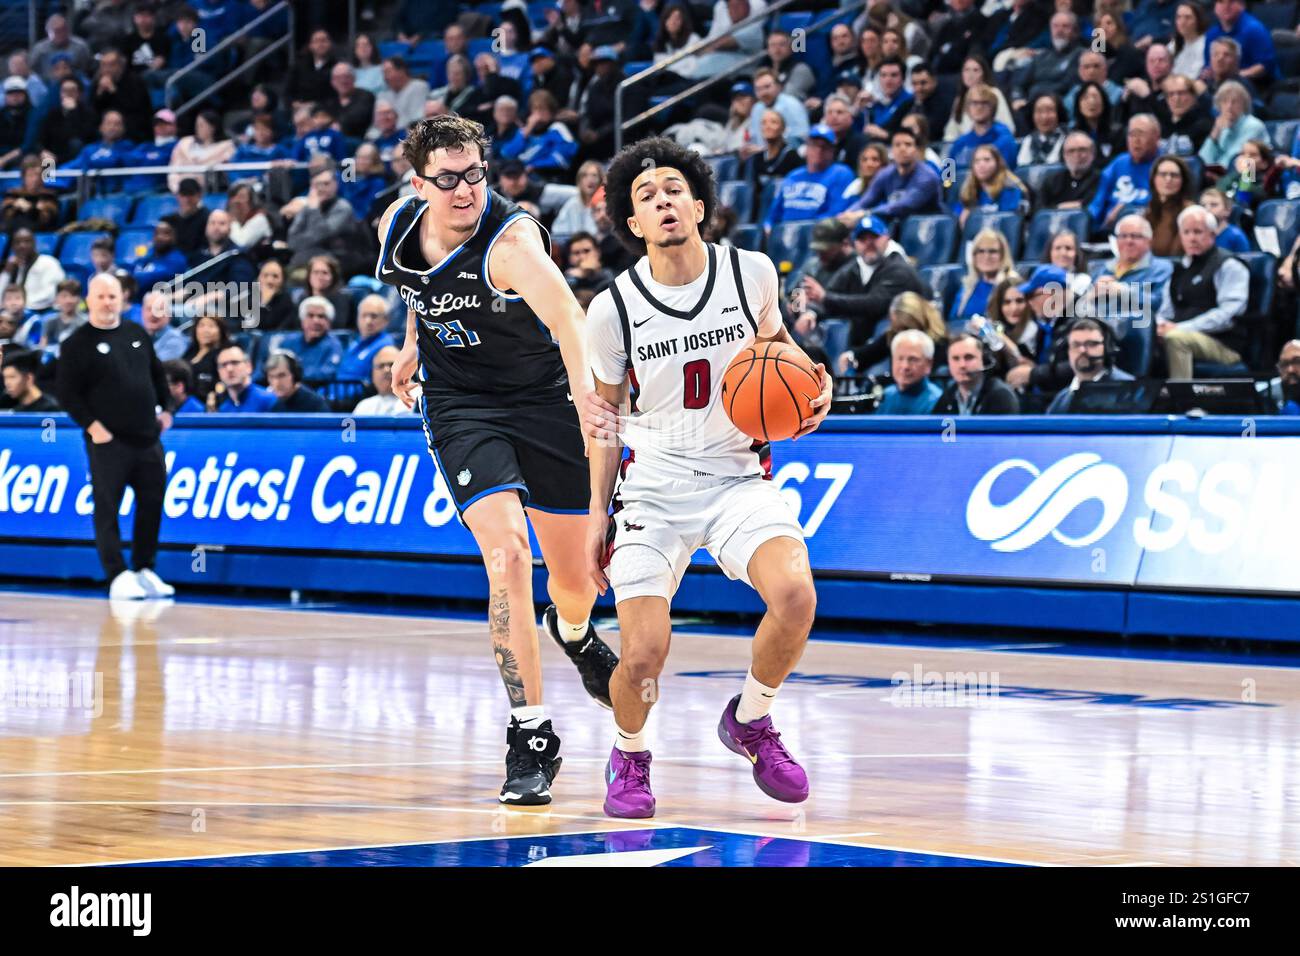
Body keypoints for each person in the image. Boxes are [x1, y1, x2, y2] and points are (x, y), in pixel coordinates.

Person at [580, 135, 830, 820]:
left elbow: (780, 350)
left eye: (672, 191)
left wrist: (815, 382)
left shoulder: (751, 272)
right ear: (631, 224)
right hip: (652, 489)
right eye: (645, 197)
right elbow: (604, 418)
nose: (662, 203)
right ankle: (630, 752)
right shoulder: (613, 310)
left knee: (795, 596)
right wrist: (597, 512)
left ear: (697, 205)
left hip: (735, 478)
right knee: (642, 657)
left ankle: (751, 719)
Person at [375, 115, 619, 806]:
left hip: (545, 401)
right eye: (447, 180)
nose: (464, 191)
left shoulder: (511, 246)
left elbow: (572, 323)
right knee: (508, 555)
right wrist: (414, 343)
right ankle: (531, 733)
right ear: (419, 184)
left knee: (575, 583)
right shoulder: (396, 223)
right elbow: (417, 289)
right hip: (460, 406)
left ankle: (571, 629)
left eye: (475, 174)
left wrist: (587, 401)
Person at [54, 273, 173, 600]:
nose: (108, 302)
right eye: (101, 296)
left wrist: (167, 409)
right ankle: (117, 573)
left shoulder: (136, 333)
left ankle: (144, 568)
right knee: (108, 507)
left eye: (113, 297)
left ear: (123, 300)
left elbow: (157, 375)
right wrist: (92, 426)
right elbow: (66, 392)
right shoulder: (77, 343)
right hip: (109, 441)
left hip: (148, 439)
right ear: (89, 300)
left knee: (152, 503)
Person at [802, 216, 933, 361]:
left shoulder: (899, 269)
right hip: (864, 346)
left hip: (894, 350)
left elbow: (875, 303)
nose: (868, 244)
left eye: (874, 237)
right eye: (862, 239)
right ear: (854, 243)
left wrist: (825, 298)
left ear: (887, 238)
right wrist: (812, 312)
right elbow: (832, 292)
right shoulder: (855, 268)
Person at [1155, 204, 1250, 378]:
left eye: (1198, 232)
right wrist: (1159, 325)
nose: (1192, 238)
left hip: (1224, 343)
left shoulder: (1229, 265)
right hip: (1184, 332)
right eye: (1186, 232)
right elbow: (1166, 310)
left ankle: (1182, 399)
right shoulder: (1179, 267)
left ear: (1212, 235)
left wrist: (1179, 328)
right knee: (1147, 335)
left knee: (1176, 339)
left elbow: (1227, 315)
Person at [761, 124, 855, 230]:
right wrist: (768, 226)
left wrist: (804, 229)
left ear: (832, 150)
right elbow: (773, 214)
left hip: (818, 237)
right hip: (784, 237)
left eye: (824, 147)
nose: (819, 150)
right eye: (814, 145)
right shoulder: (793, 175)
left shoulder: (841, 173)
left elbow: (836, 214)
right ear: (807, 148)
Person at [843, 127, 943, 223]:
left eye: (908, 144)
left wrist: (865, 214)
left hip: (926, 228)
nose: (902, 149)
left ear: (916, 150)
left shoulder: (928, 177)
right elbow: (866, 201)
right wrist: (846, 215)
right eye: (897, 145)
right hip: (896, 227)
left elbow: (903, 206)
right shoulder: (886, 173)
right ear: (891, 150)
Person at [1088, 114, 1161, 234]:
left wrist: (1126, 208)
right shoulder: (1119, 163)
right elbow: (1097, 203)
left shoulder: (1165, 166)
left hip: (1146, 230)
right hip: (1109, 231)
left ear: (1156, 137)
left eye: (1141, 134)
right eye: (1132, 134)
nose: (1136, 140)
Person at [1044, 318, 1135, 413]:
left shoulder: (1128, 391)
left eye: (1091, 344)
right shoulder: (1062, 398)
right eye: (1076, 345)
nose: (1082, 350)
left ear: (1108, 348)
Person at [932, 332, 1020, 414]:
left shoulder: (1001, 396)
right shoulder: (948, 396)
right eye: (955, 358)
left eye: (969, 357)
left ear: (984, 361)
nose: (962, 365)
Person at [1202, 0, 1279, 86]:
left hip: (1257, 85)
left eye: (1231, 2)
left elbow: (1265, 66)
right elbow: (1208, 64)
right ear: (1215, 7)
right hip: (1221, 84)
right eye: (1221, 2)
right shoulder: (1211, 34)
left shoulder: (1254, 29)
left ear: (1242, 5)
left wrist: (1235, 77)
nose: (1226, 6)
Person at [1198, 81, 1267, 171]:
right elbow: (1203, 160)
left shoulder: (1254, 125)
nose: (1229, 106)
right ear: (1219, 106)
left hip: (1249, 177)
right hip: (1224, 178)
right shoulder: (1221, 126)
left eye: (1235, 102)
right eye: (1225, 101)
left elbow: (1237, 159)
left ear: (1244, 105)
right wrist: (1215, 133)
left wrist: (1220, 176)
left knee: (1246, 163)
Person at [951, 228, 1014, 325]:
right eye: (980, 251)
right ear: (974, 256)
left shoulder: (1011, 285)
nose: (986, 256)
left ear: (1003, 255)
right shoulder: (968, 285)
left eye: (992, 251)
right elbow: (953, 321)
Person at [276, 296, 343, 383]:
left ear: (329, 322)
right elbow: (275, 367)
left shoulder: (334, 345)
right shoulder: (288, 342)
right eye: (310, 315)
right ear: (302, 321)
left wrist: (294, 377)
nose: (315, 321)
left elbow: (328, 374)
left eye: (321, 316)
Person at [876, 328, 943, 414]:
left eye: (913, 359)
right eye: (900, 358)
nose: (905, 366)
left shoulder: (938, 402)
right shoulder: (884, 396)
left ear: (928, 364)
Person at [949, 83, 1018, 168]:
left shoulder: (1004, 138)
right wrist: (948, 181)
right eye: (974, 103)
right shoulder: (960, 143)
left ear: (993, 107)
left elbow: (1005, 173)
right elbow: (947, 175)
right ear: (967, 108)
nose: (979, 107)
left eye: (984, 103)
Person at [955, 145, 1025, 227]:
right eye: (976, 161)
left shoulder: (1010, 189)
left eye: (987, 160)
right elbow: (956, 215)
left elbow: (1008, 223)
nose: (981, 165)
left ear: (998, 163)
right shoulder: (969, 192)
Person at [0, 227, 65, 309]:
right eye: (17, 242)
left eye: (27, 241)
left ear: (34, 243)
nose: (22, 245)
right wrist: (7, 272)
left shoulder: (49, 263)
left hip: (42, 311)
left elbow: (49, 295)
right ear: (12, 247)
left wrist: (20, 306)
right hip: (15, 312)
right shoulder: (15, 266)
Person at [338, 295, 396, 381]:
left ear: (386, 320)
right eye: (364, 315)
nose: (368, 321)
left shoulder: (385, 347)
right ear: (357, 318)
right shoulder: (355, 342)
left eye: (374, 316)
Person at [1147, 155, 1196, 256]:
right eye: (1163, 174)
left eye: (1174, 175)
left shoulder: (1191, 213)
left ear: (1183, 181)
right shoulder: (1148, 211)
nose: (1168, 179)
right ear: (1154, 179)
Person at [1039, 131, 1100, 209]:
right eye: (1071, 151)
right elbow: (1039, 210)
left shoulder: (1102, 180)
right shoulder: (1052, 181)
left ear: (1093, 153)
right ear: (1064, 155)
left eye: (1082, 150)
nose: (1076, 155)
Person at [213, 343, 276, 412]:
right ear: (218, 372)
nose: (229, 369)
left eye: (235, 362)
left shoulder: (268, 400)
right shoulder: (224, 409)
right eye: (223, 365)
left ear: (248, 366)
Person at [182, 313, 230, 402]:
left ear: (221, 330)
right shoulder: (189, 352)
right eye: (201, 326)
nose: (206, 330)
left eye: (211, 326)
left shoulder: (224, 355)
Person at [352, 345, 412, 415]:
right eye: (381, 366)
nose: (386, 370)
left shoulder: (420, 399)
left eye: (392, 364)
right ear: (372, 374)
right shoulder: (363, 407)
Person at [265, 351, 330, 412]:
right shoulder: (270, 404)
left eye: (282, 376)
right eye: (271, 376)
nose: (276, 383)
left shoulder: (316, 405)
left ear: (295, 375)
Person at [1018, 94, 1068, 167]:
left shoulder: (1068, 139)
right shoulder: (1028, 140)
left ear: (1059, 113)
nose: (1044, 117)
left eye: (1050, 110)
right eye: (1039, 111)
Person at [140, 292, 186, 361]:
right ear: (142, 312)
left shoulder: (175, 340)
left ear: (169, 314)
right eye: (149, 309)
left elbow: (155, 367)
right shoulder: (135, 333)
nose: (153, 314)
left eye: (159, 309)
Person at [1169, 2, 1209, 79]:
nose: (1182, 22)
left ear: (1198, 20)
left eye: (1188, 17)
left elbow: (1194, 76)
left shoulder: (1205, 44)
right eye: (1179, 17)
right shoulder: (1174, 43)